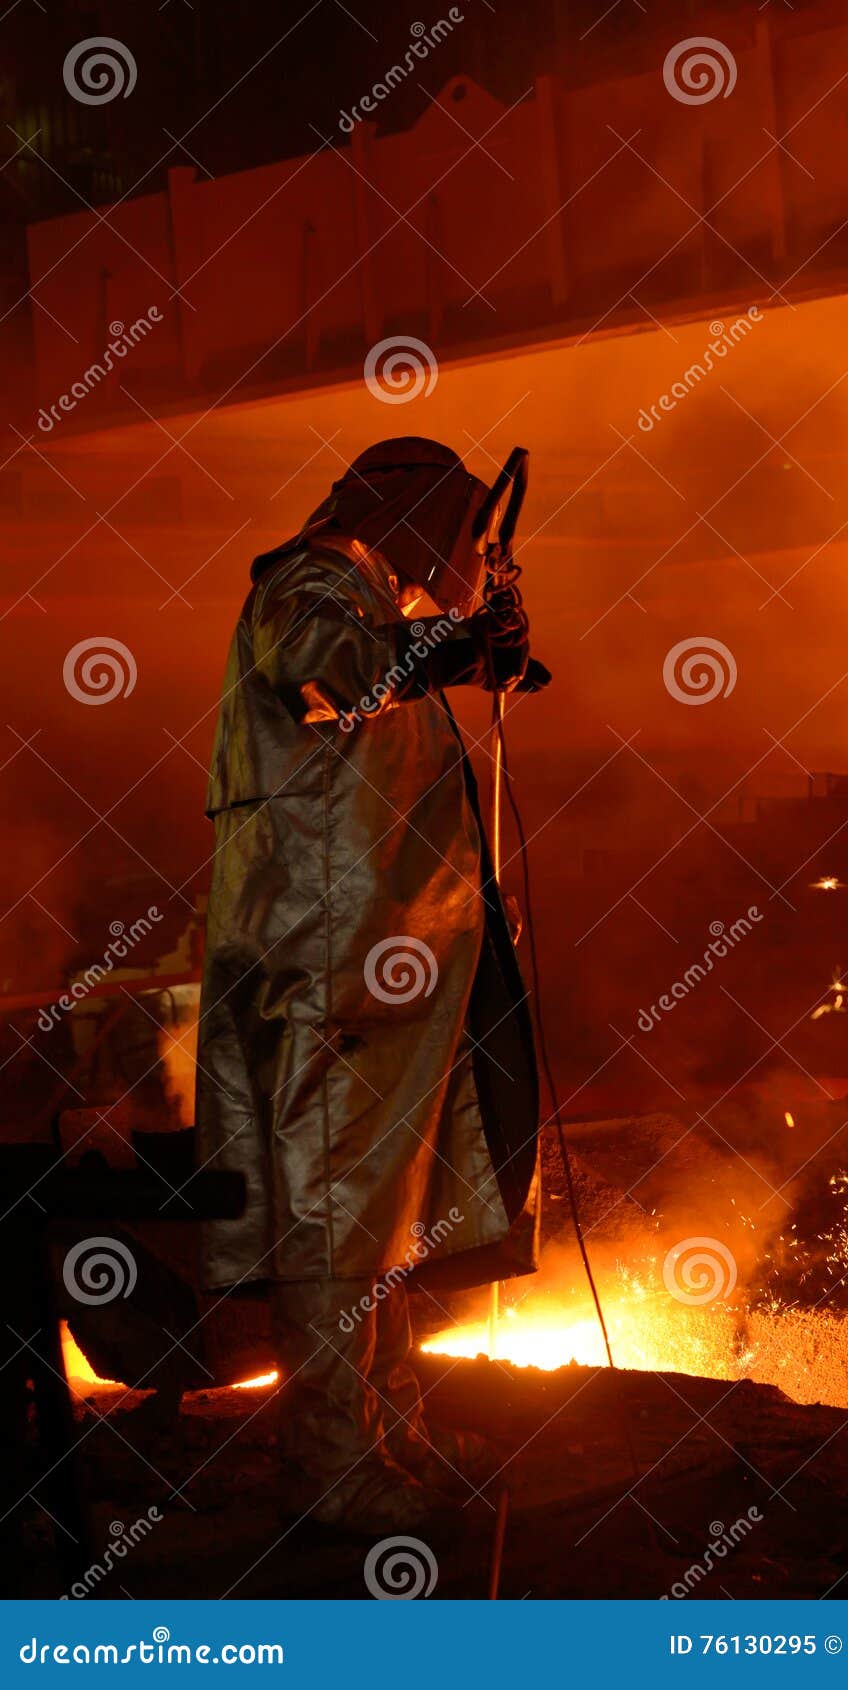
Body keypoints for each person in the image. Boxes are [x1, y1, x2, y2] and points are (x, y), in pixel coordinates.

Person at [195, 437, 548, 1534]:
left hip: (378, 959)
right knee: (341, 1209)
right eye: (464, 531)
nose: (470, 555)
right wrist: (448, 646)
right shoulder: (309, 578)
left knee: (381, 1213)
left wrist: (464, 649)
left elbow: (388, 669)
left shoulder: (371, 598)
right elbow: (327, 668)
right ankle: (333, 1467)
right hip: (328, 954)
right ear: (413, 509)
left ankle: (386, 1431)